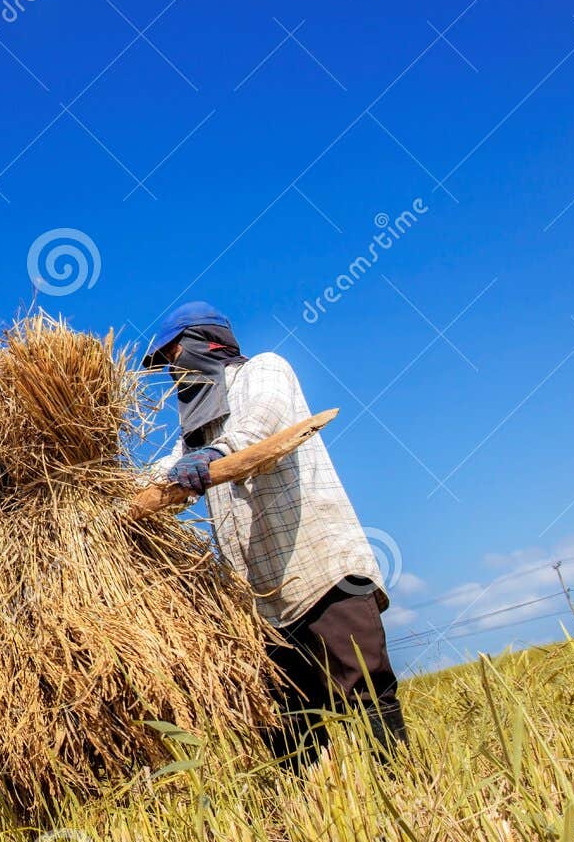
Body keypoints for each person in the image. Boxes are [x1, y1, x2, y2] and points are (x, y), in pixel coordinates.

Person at [142, 301, 407, 764]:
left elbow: (260, 422)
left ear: (207, 343)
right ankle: (309, 821)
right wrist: (116, 492)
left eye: (172, 355)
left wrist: (216, 454)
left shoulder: (263, 371)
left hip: (321, 574)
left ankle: (405, 796)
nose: (171, 371)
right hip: (263, 604)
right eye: (163, 365)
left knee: (364, 692)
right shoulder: (196, 438)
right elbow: (165, 470)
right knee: (285, 725)